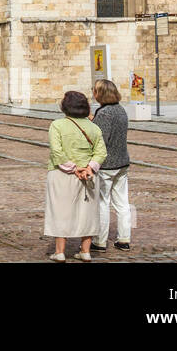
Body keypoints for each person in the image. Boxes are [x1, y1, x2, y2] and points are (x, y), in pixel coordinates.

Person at [45, 90, 107, 262]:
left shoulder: (57, 125)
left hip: (62, 174)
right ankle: (85, 251)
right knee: (87, 212)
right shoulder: (94, 127)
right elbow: (101, 152)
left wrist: (73, 168)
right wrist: (89, 168)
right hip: (88, 175)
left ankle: (59, 252)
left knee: (60, 211)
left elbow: (57, 151)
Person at [91, 79, 132, 252]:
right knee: (122, 203)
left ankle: (100, 241)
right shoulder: (120, 110)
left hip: (107, 165)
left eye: (94, 90)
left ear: (100, 94)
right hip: (122, 162)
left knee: (102, 202)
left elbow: (100, 139)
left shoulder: (105, 113)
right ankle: (124, 238)